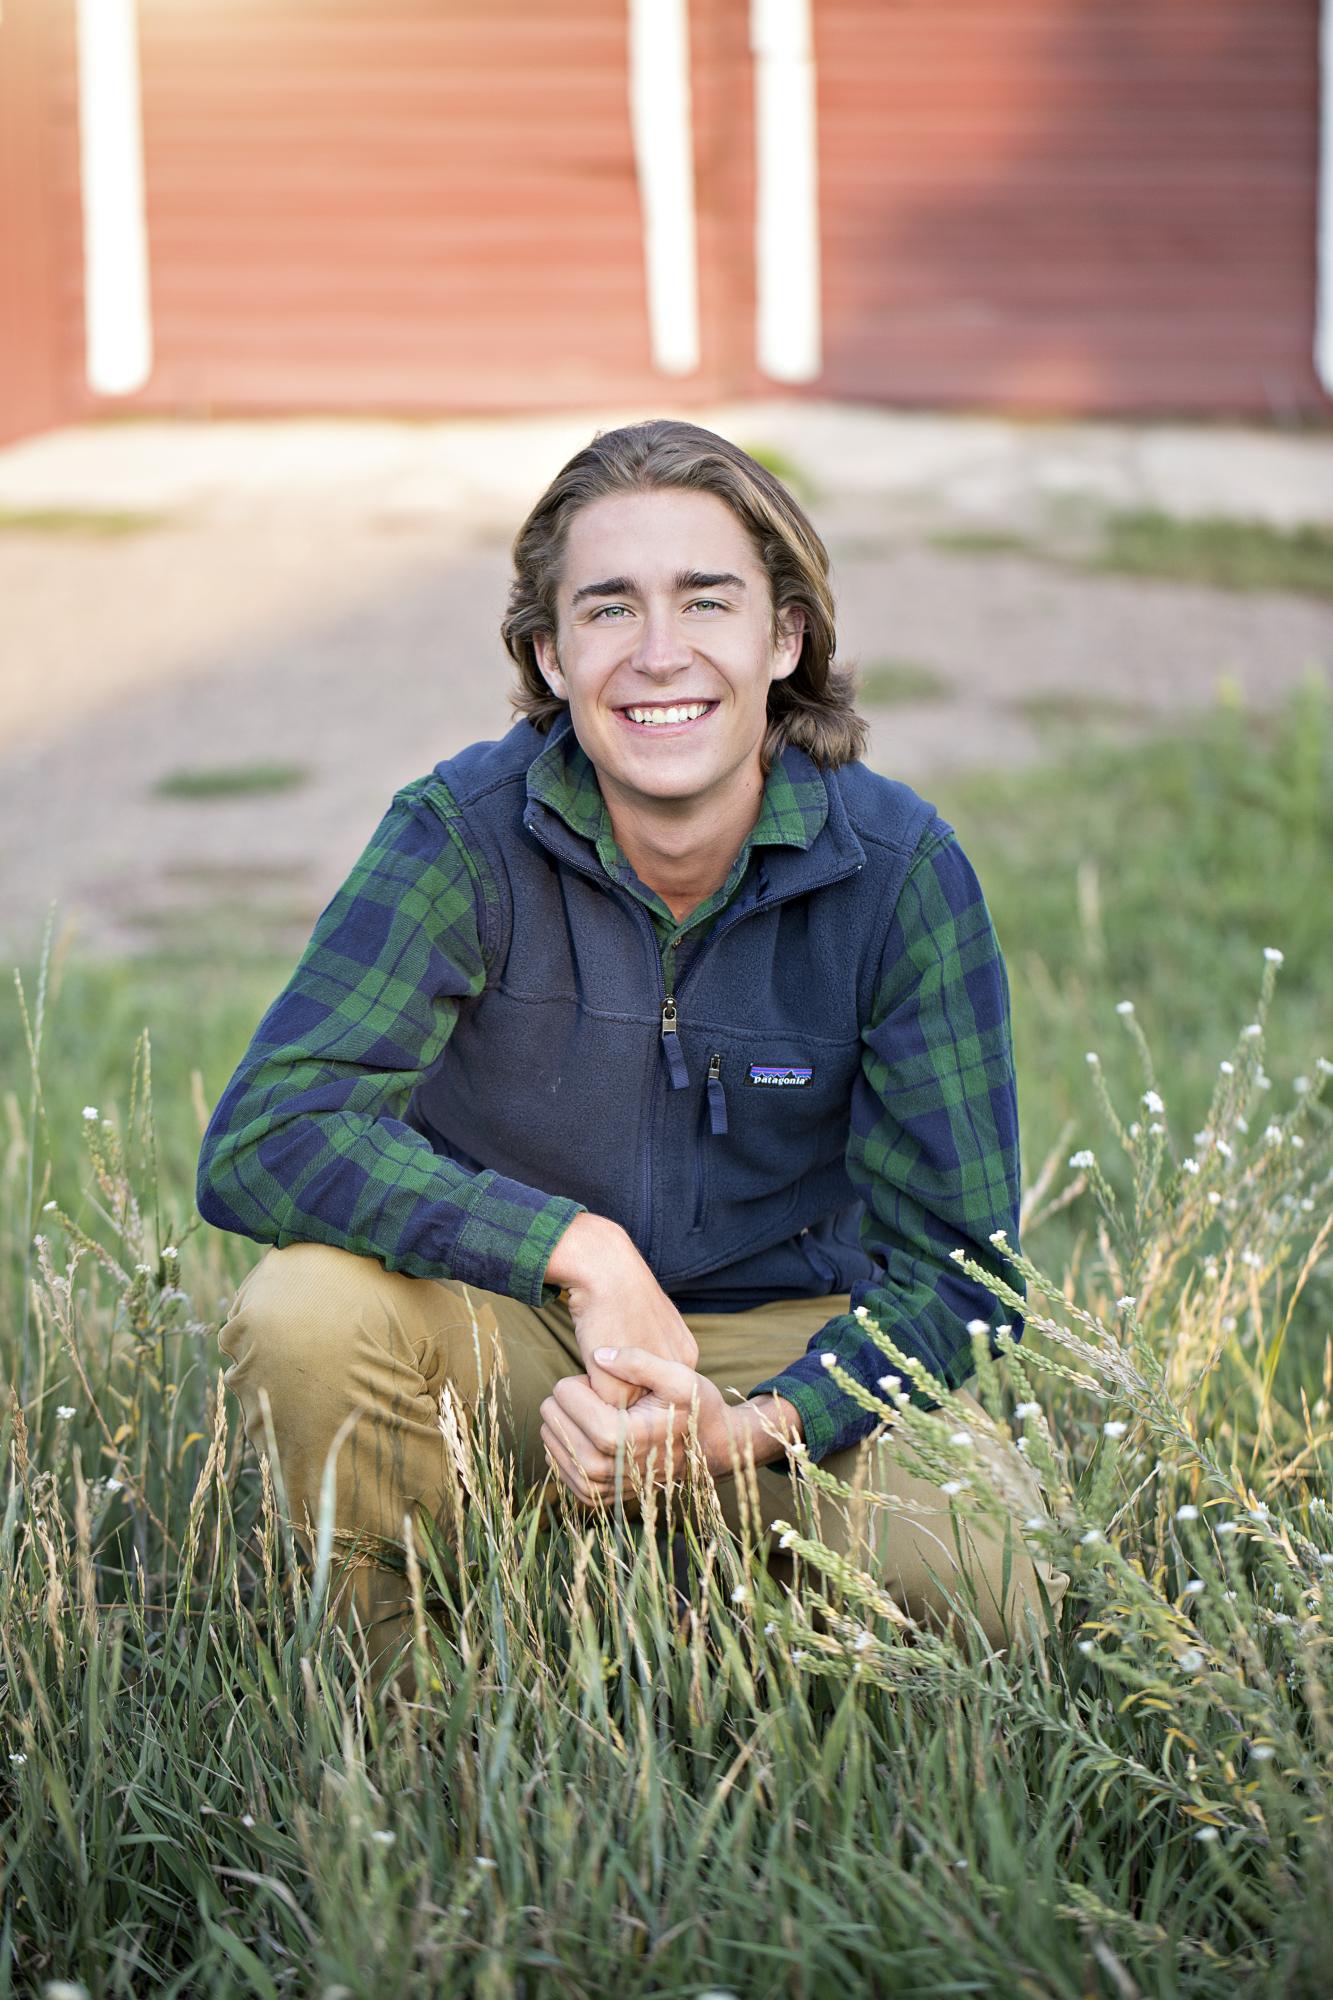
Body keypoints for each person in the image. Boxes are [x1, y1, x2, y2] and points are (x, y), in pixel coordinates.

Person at [197, 420, 1069, 1692]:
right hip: (516, 1328)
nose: (659, 653)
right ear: (551, 656)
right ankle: (400, 1704)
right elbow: (268, 1135)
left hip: (780, 1350)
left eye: (706, 600)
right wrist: (576, 1248)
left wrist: (757, 1426)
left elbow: (960, 1269)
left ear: (784, 637)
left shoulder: (899, 873)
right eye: (609, 608)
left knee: (995, 1584)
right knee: (303, 1311)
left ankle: (689, 1571)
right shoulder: (458, 836)